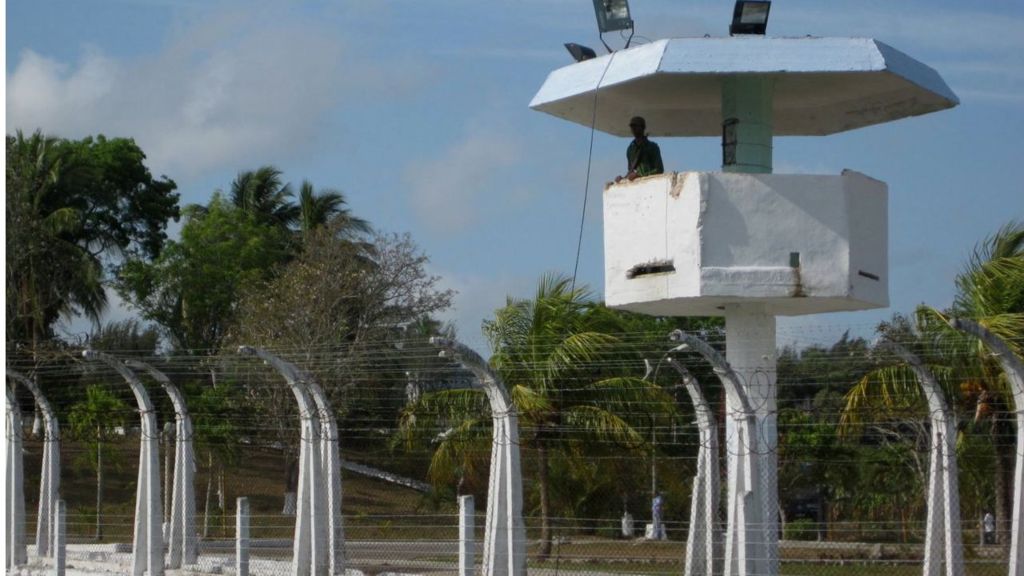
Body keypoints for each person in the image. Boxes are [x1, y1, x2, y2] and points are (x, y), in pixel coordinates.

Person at [616, 116, 664, 182]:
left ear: (642, 127)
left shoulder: (652, 147)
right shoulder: (630, 149)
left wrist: (641, 175)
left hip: (650, 184)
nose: (633, 128)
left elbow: (659, 170)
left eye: (635, 125)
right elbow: (631, 170)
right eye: (631, 126)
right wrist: (623, 178)